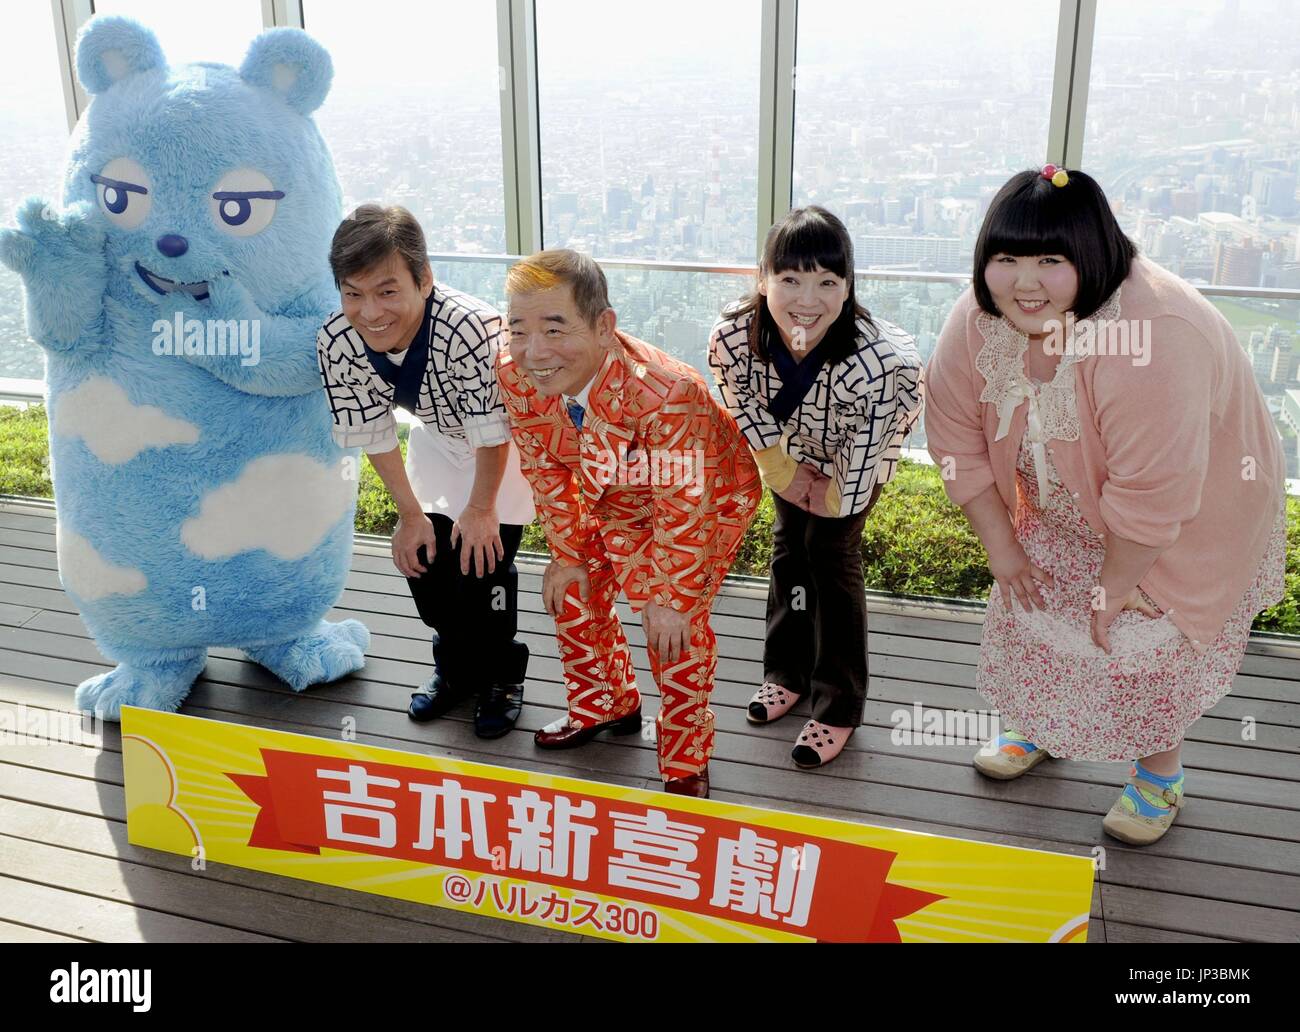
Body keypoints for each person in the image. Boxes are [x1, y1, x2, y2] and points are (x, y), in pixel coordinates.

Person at [924, 166, 1286, 845]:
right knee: (1032, 600)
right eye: (1006, 259)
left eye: (1050, 261)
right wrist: (1002, 548)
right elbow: (951, 434)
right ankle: (1043, 724)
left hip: (1190, 517)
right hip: (1069, 497)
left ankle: (1158, 776)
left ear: (1090, 257)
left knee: (1141, 638)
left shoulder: (1152, 334)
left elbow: (1157, 495)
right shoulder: (978, 317)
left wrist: (1116, 585)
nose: (1023, 283)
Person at [498, 249, 761, 798]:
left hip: (704, 499)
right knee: (570, 589)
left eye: (554, 328)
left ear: (604, 326)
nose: (534, 351)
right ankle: (605, 704)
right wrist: (568, 554)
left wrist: (669, 594)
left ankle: (685, 757)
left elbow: (683, 507)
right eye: (518, 329)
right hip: (608, 492)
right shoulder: (516, 372)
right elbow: (544, 467)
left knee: (674, 631)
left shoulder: (667, 394)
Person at [708, 206, 922, 769]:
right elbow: (740, 400)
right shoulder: (734, 335)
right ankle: (786, 673)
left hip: (859, 458)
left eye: (827, 282)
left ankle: (838, 704)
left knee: (829, 554)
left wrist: (830, 494)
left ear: (848, 288)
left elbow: (876, 439)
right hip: (790, 451)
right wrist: (783, 471)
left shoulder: (883, 364)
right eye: (790, 279)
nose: (808, 299)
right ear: (763, 279)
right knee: (788, 549)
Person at [317, 204, 536, 738]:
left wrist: (482, 509)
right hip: (438, 438)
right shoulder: (336, 341)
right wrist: (408, 515)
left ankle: (503, 675)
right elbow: (371, 431)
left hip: (502, 447)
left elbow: (493, 430)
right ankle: (455, 670)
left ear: (424, 279)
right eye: (353, 293)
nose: (370, 311)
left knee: (483, 570)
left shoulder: (470, 329)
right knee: (429, 567)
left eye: (387, 291)